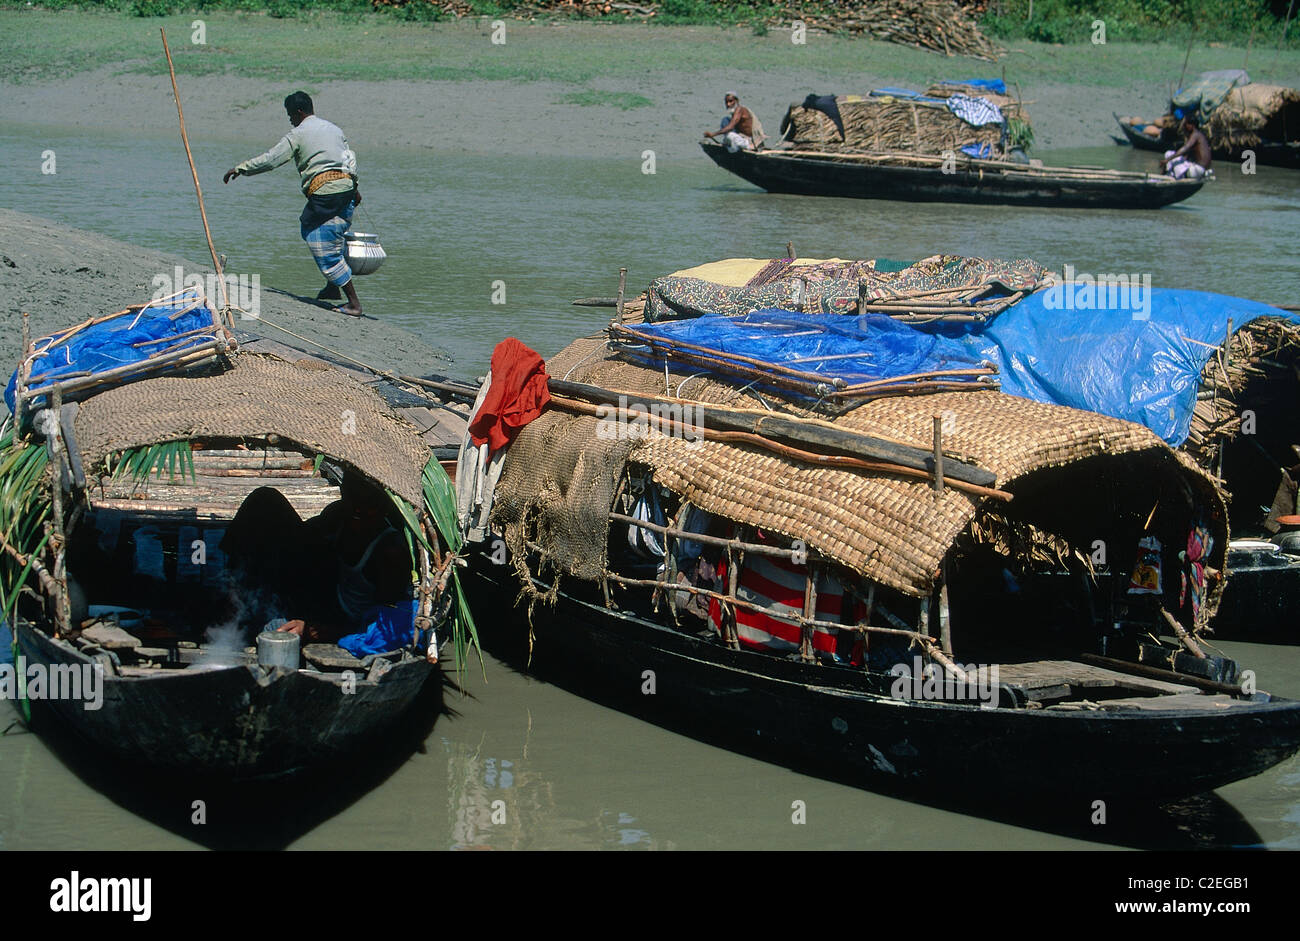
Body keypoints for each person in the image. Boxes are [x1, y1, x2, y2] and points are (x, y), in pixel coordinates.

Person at [221, 474, 411, 643]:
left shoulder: (390, 552)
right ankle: (230, 599)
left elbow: (384, 627)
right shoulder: (339, 515)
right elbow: (301, 540)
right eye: (352, 497)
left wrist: (319, 631)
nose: (358, 509)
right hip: (324, 596)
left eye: (369, 503)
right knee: (265, 499)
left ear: (385, 504)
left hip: (348, 623)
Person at [223, 92, 364, 317]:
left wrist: (242, 168)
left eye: (290, 116)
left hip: (325, 194)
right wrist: (354, 187)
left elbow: (272, 159)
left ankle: (354, 303)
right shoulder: (334, 129)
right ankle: (332, 286)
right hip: (345, 189)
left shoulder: (297, 134)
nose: (290, 120)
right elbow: (348, 159)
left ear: (299, 112)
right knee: (333, 233)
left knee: (316, 236)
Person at [1159, 114, 1212, 180]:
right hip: (1201, 170)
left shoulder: (1195, 135)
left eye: (1185, 124)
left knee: (1169, 153)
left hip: (1196, 170)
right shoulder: (1200, 135)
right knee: (1177, 159)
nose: (1184, 126)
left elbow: (1185, 148)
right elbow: (1188, 154)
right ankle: (1168, 174)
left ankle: (1170, 176)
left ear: (1191, 125)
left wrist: (1166, 160)